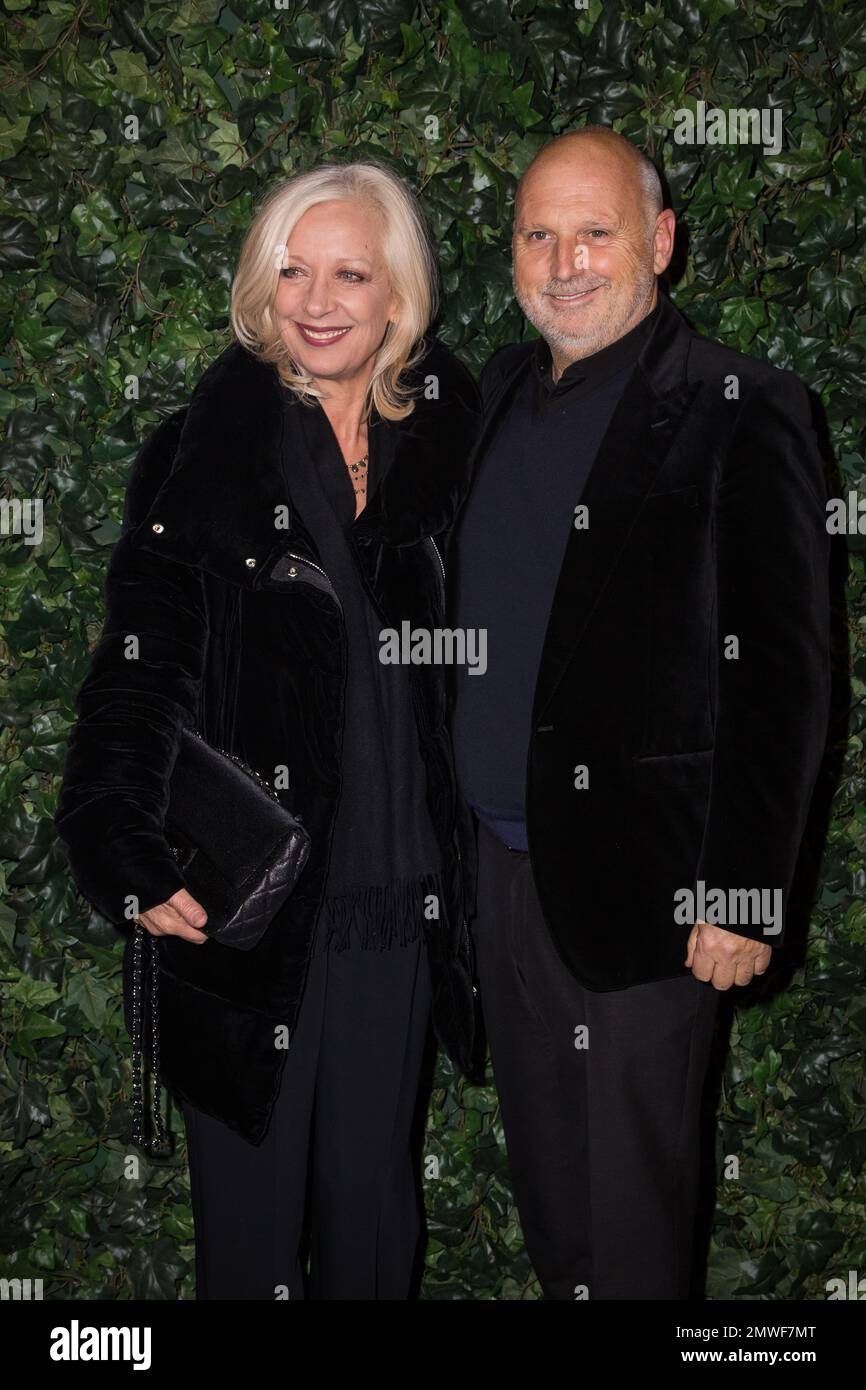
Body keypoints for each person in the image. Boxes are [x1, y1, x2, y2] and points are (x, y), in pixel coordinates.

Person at [54, 160, 481, 1300]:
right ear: (258, 286)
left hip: (397, 906)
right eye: (291, 269)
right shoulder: (203, 456)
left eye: (350, 271)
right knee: (247, 1244)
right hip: (247, 912)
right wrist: (123, 849)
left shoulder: (448, 455)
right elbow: (133, 675)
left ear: (399, 294)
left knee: (374, 1221)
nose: (319, 298)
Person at [448, 126, 831, 1300]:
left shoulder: (742, 406)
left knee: (633, 1239)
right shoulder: (494, 393)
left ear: (657, 242)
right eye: (537, 233)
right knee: (556, 1220)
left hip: (654, 895)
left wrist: (740, 888)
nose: (563, 260)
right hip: (499, 878)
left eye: (594, 231)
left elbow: (788, 674)